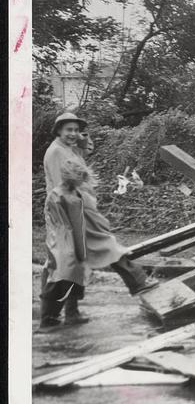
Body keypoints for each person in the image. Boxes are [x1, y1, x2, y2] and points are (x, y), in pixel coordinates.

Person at [38, 114, 157, 331]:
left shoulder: (70, 148)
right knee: (86, 254)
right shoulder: (56, 152)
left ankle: (68, 313)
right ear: (58, 131)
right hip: (67, 213)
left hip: (77, 208)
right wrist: (83, 212)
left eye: (76, 130)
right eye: (69, 130)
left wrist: (82, 140)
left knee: (72, 263)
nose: (73, 134)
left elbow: (86, 152)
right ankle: (138, 281)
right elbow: (61, 185)